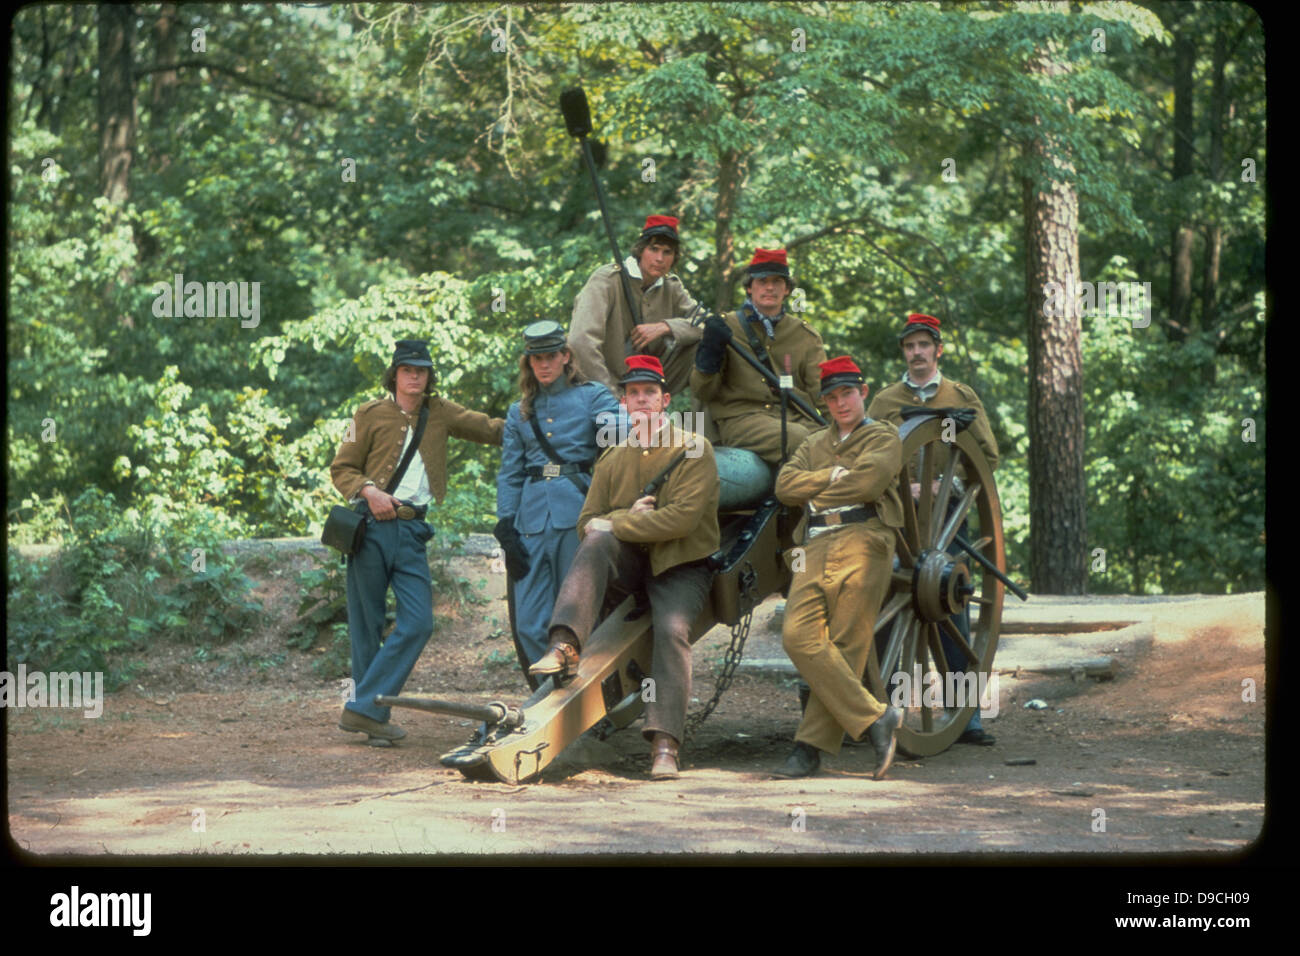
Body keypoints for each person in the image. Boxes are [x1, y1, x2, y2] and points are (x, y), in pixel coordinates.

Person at [529, 355, 719, 778]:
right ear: (623, 403)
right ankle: (564, 644)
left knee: (672, 631)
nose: (641, 401)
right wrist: (616, 520)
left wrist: (619, 519)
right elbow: (585, 524)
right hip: (634, 562)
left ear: (665, 399)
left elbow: (680, 521)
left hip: (681, 563)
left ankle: (665, 744)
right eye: (633, 394)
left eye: (649, 393)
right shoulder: (614, 457)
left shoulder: (693, 448)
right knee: (596, 543)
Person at [330, 339, 504, 745]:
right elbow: (342, 468)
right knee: (366, 625)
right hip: (370, 527)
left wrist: (537, 418)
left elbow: (489, 429)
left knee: (419, 622)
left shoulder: (440, 412)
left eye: (422, 371)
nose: (415, 377)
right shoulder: (367, 413)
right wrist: (369, 491)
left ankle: (361, 709)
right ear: (395, 374)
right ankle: (373, 717)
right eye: (408, 370)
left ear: (429, 376)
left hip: (412, 531)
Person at [868, 313, 999, 745]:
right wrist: (906, 486)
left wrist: (949, 483)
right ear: (903, 353)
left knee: (951, 606)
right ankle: (884, 715)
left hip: (946, 520)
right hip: (900, 521)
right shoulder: (886, 402)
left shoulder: (959, 396)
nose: (917, 353)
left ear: (938, 350)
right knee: (888, 611)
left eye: (925, 345)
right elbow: (865, 455)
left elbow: (987, 456)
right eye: (910, 347)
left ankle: (967, 717)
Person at [772, 356, 904, 780]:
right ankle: (875, 717)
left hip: (864, 538)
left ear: (863, 392)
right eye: (831, 397)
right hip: (815, 541)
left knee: (847, 645)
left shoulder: (883, 437)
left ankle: (807, 749)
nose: (841, 403)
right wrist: (831, 475)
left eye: (847, 393)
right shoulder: (813, 443)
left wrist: (816, 490)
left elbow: (868, 483)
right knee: (797, 636)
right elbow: (784, 486)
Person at [494, 320, 622, 673]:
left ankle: (586, 706)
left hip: (577, 514)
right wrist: (505, 524)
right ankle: (551, 701)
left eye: (551, 356)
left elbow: (620, 431)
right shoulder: (519, 411)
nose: (544, 365)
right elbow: (510, 472)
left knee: (580, 617)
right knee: (529, 624)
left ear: (566, 356)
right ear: (528, 363)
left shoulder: (592, 396)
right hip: (530, 521)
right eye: (537, 359)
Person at [691, 247, 827, 465]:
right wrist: (708, 357)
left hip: (794, 416)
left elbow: (823, 392)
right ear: (749, 287)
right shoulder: (726, 327)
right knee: (798, 438)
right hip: (741, 420)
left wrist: (844, 430)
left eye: (777, 282)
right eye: (762, 281)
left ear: (787, 289)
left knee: (831, 440)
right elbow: (702, 391)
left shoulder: (805, 335)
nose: (770, 287)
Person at [569, 214, 703, 397]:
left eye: (667, 252)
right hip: (605, 387)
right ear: (640, 250)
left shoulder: (671, 286)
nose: (659, 259)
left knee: (710, 344)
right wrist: (611, 397)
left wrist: (666, 327)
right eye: (653, 249)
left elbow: (707, 323)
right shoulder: (607, 280)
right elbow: (581, 342)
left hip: (651, 383)